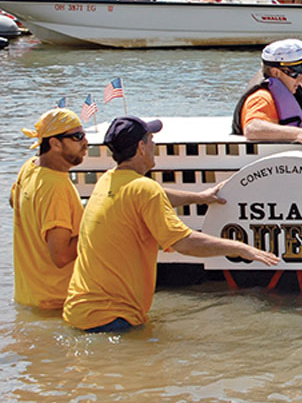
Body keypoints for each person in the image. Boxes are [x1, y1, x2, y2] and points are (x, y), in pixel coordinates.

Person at [62, 116, 280, 332]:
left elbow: (158, 196)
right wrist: (240, 248)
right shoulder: (144, 190)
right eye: (151, 139)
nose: (154, 144)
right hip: (111, 318)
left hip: (77, 312)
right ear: (141, 147)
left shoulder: (108, 181)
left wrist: (200, 197)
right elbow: (184, 243)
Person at [10, 109, 87, 310]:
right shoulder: (55, 186)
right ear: (54, 143)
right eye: (77, 137)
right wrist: (96, 227)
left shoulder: (29, 168)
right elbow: (61, 256)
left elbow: (13, 201)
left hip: (29, 296)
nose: (86, 142)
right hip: (56, 303)